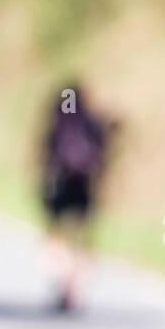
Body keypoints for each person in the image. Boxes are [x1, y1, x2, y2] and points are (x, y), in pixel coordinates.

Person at [40, 85, 110, 312]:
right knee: (78, 236)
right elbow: (100, 155)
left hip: (59, 184)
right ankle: (73, 286)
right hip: (82, 185)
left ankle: (61, 280)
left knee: (57, 234)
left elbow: (45, 155)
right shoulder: (88, 122)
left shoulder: (57, 121)